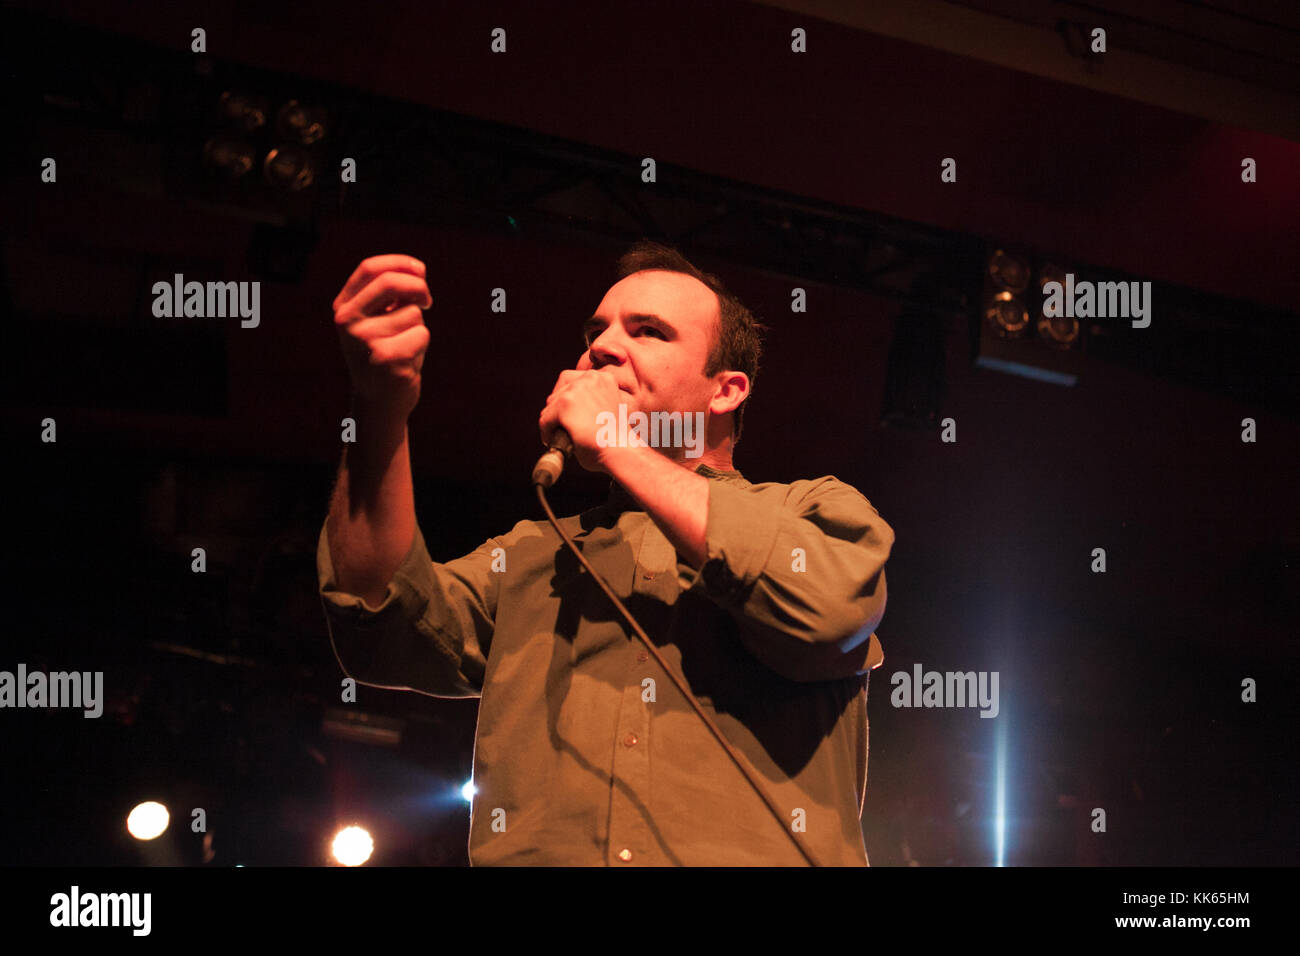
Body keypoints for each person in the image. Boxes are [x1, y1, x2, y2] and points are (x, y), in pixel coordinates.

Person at [316, 240, 895, 865]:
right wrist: (379, 407)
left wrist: (620, 442)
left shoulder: (812, 510)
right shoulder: (533, 552)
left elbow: (825, 610)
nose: (603, 347)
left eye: (648, 331)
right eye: (596, 331)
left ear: (726, 391)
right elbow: (376, 624)